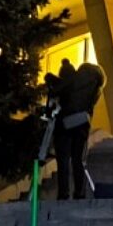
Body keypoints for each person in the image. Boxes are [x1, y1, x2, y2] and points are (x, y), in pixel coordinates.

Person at [47, 58, 105, 199]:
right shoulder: (95, 86)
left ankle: (63, 193)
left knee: (63, 160)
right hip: (81, 124)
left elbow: (57, 90)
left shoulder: (74, 78)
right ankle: (79, 192)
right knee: (78, 159)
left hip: (65, 122)